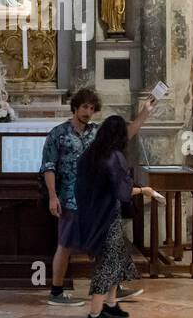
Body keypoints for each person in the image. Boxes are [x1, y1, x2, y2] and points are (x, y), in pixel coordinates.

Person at [40, 88, 154, 306]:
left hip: (96, 199)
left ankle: (113, 289)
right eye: (85, 107)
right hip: (70, 198)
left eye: (92, 108)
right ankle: (56, 292)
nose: (88, 112)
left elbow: (124, 134)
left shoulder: (96, 132)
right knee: (65, 244)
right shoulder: (58, 134)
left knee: (107, 243)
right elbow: (48, 167)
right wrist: (53, 196)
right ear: (75, 107)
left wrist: (144, 114)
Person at [74, 116, 156, 318]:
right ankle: (94, 315)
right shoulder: (114, 157)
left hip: (91, 214)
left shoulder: (90, 155)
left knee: (117, 258)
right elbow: (123, 191)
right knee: (107, 263)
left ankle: (110, 305)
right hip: (107, 217)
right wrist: (144, 190)